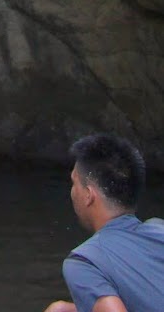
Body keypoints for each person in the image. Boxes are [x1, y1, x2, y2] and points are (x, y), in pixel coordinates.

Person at [45, 133, 164, 312]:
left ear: (88, 195)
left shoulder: (86, 261)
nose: (72, 192)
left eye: (74, 183)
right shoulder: (159, 230)